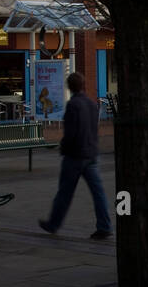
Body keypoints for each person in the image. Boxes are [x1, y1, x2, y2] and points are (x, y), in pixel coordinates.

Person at [38, 72, 113, 240]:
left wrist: (64, 147)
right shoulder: (92, 104)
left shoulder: (73, 105)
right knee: (98, 192)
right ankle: (105, 225)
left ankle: (53, 223)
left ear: (69, 87)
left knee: (65, 192)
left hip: (75, 155)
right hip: (91, 153)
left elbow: (70, 133)